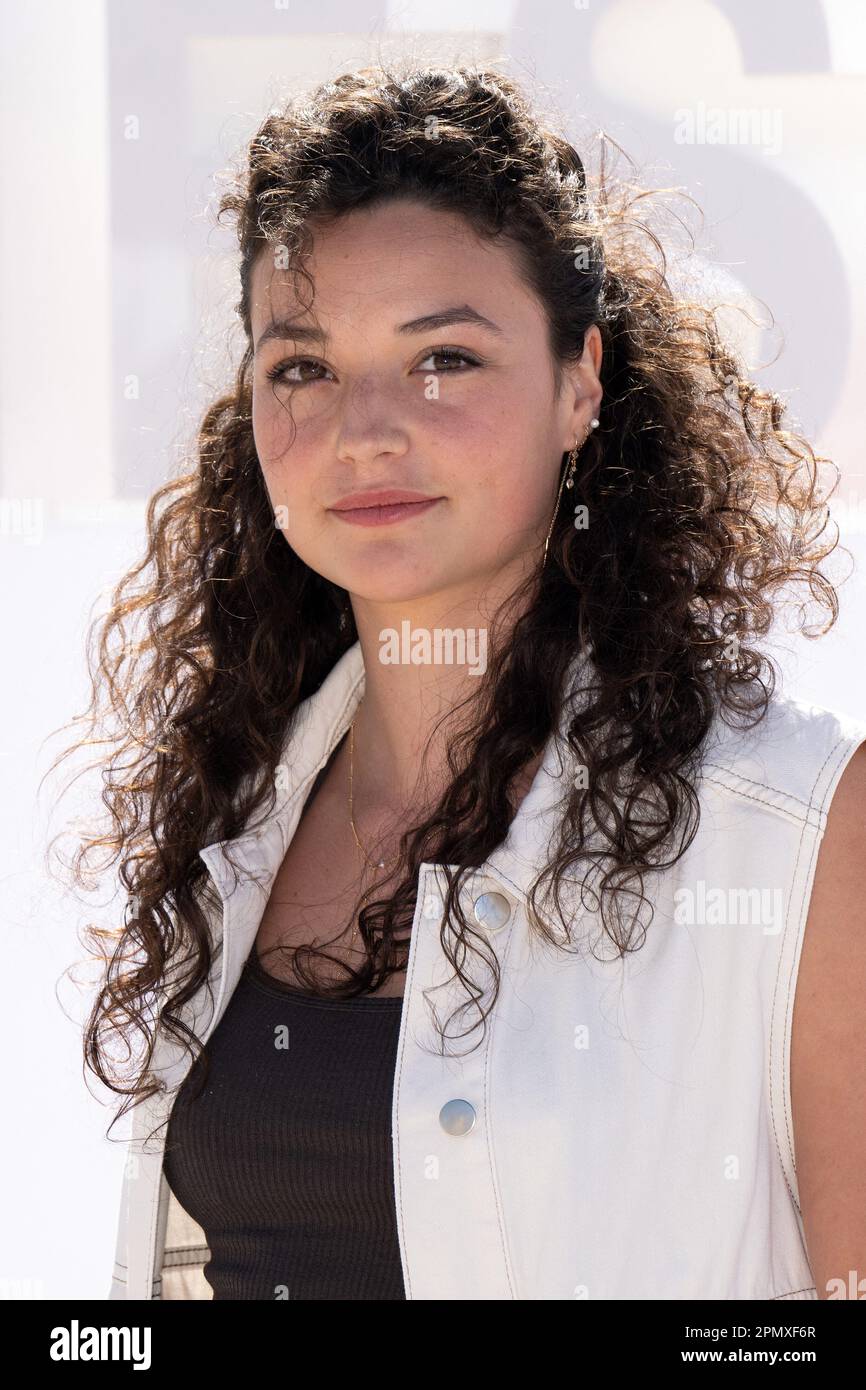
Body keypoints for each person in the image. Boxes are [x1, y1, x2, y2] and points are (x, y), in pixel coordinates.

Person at [55, 62, 866, 1301]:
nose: (365, 427)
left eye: (442, 357)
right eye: (303, 368)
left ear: (579, 381)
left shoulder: (802, 837)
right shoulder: (231, 822)